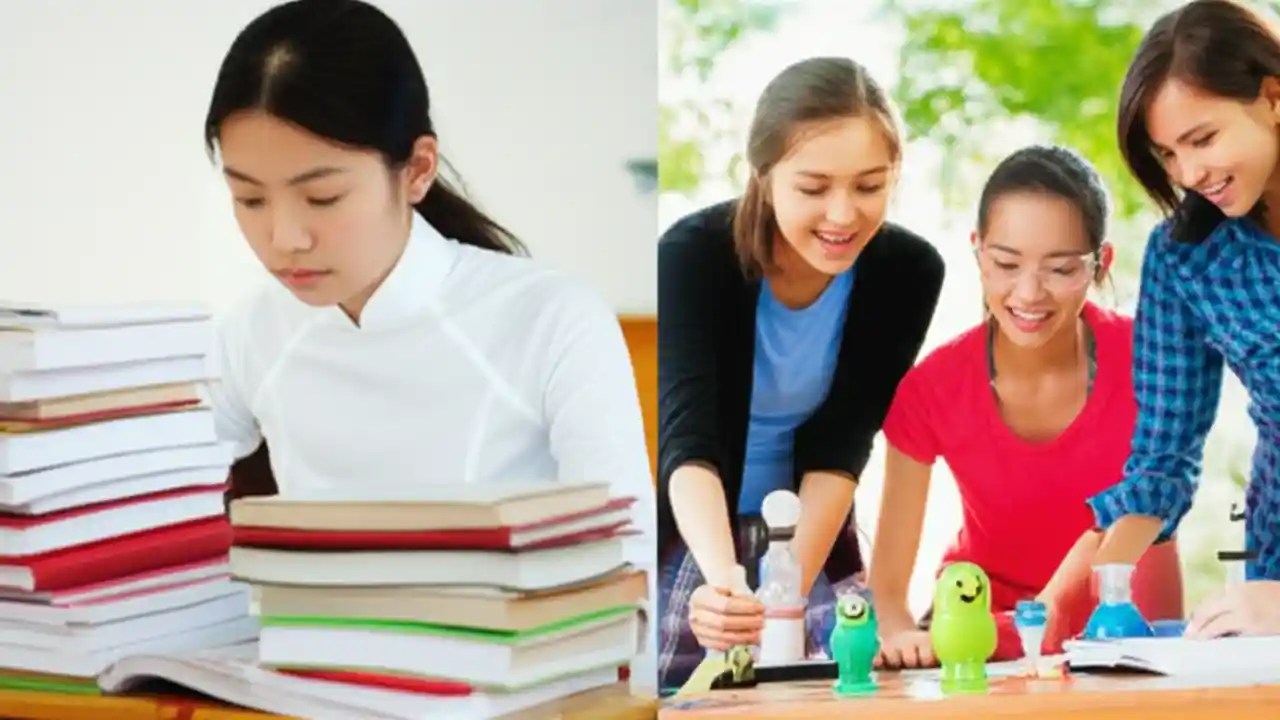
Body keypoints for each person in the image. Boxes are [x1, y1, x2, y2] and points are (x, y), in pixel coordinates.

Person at [202, 0, 654, 614]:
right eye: (249, 200)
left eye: (323, 196)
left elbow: (631, 575)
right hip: (305, 684)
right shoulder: (251, 331)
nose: (285, 237)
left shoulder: (550, 318)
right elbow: (154, 506)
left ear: (416, 170)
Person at [656, 56, 945, 689]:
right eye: (813, 188)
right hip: (698, 532)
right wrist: (728, 585)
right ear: (762, 176)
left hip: (811, 529)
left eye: (870, 187)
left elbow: (844, 442)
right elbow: (689, 436)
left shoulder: (907, 271)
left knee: (826, 681)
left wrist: (781, 596)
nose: (843, 216)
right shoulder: (692, 255)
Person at [868, 145, 1183, 669]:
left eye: (1060, 269)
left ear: (1100, 263)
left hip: (1126, 632)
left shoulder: (1154, 364)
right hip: (978, 636)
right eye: (1006, 264)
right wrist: (904, 640)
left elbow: (1144, 517)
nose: (1029, 293)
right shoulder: (933, 389)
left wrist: (1043, 619)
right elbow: (887, 593)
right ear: (978, 253)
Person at [1071, 0, 1280, 639]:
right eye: (1166, 154)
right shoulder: (1185, 257)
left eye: (1203, 139)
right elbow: (1163, 456)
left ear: (1274, 97)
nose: (1189, 175)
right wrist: (1082, 599)